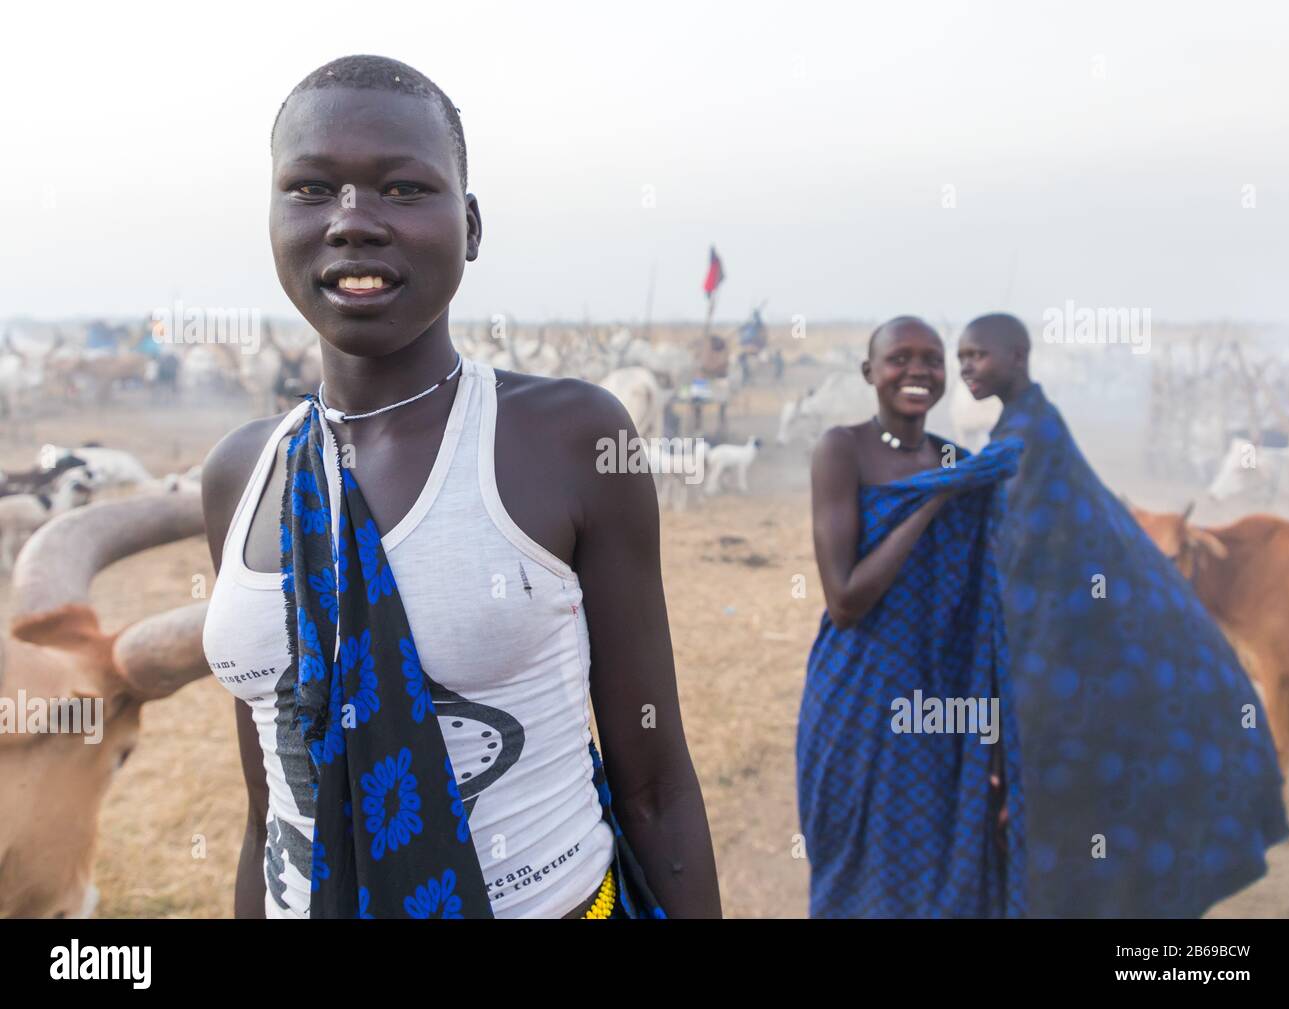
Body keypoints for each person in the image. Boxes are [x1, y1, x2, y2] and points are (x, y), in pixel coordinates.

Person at [200, 55, 719, 919]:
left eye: (403, 189)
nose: (352, 221)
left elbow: (656, 786)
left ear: (471, 226)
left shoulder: (568, 436)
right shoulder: (241, 473)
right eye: (311, 188)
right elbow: (274, 814)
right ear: (272, 218)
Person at [958, 312, 1289, 917]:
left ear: (1019, 356)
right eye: (963, 357)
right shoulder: (1026, 428)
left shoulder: (1028, 440)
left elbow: (1020, 563)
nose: (967, 368)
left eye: (979, 355)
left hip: (1059, 666)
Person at [797, 316, 1026, 917]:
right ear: (870, 372)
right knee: (853, 873)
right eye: (900, 358)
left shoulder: (959, 461)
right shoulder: (841, 450)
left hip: (941, 702)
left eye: (932, 359)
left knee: (939, 867)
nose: (918, 371)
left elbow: (987, 610)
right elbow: (844, 601)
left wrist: (997, 744)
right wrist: (935, 496)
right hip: (859, 699)